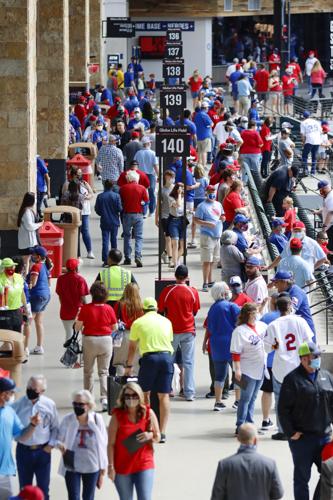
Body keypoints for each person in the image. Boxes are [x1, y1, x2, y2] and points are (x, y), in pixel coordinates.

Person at [278, 341, 333, 500]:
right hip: (302, 440)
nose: (318, 359)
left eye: (318, 356)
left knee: (328, 473)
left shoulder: (326, 376)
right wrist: (290, 432)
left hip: (324, 436)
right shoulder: (292, 380)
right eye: (314, 356)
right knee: (302, 478)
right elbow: (283, 410)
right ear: (303, 359)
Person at [264, 295, 314, 441]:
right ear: (290, 306)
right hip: (299, 366)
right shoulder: (300, 321)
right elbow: (309, 344)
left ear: (277, 308)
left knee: (281, 401)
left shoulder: (273, 325)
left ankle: (283, 430)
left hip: (281, 368)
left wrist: (275, 346)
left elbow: (267, 348)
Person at [125, 297, 174, 443]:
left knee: (144, 395)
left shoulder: (138, 322)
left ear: (143, 309)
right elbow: (169, 340)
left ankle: (149, 427)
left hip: (149, 359)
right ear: (157, 308)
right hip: (166, 358)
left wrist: (129, 366)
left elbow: (133, 347)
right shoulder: (166, 321)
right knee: (163, 396)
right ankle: (163, 432)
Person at [107, 382, 160, 500]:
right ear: (123, 398)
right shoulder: (117, 415)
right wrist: (110, 466)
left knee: (145, 497)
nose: (131, 399)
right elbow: (111, 444)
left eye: (134, 396)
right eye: (128, 396)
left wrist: (149, 435)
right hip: (122, 465)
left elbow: (158, 436)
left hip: (144, 462)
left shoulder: (148, 413)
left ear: (140, 396)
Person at [12, 375, 59, 500]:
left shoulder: (49, 405)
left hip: (42, 451)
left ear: (42, 391)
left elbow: (55, 428)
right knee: (25, 489)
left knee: (43, 489)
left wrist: (51, 445)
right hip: (23, 451)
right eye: (29, 387)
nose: (30, 390)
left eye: (34, 389)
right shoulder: (17, 406)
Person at [158, 265, 200, 401]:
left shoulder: (167, 291)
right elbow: (195, 310)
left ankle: (168, 389)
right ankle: (189, 393)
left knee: (169, 361)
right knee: (188, 363)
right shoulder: (193, 292)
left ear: (175, 276)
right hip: (188, 331)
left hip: (171, 331)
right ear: (187, 277)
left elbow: (161, 310)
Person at [211, 423, 284, 500]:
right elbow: (278, 493)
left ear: (238, 439)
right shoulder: (269, 464)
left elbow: (217, 496)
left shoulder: (224, 465)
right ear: (256, 440)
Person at [58, 390, 108, 500]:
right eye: (75, 404)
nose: (77, 406)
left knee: (88, 497)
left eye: (80, 404)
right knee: (73, 497)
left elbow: (103, 444)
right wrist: (60, 445)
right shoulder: (68, 419)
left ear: (89, 405)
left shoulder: (97, 419)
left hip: (92, 465)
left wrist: (102, 470)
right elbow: (58, 438)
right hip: (72, 465)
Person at [75, 282, 117, 411]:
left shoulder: (86, 308)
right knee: (104, 371)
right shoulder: (109, 309)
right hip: (106, 341)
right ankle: (104, 399)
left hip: (90, 341)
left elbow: (77, 327)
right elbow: (114, 327)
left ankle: (88, 398)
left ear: (92, 294)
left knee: (88, 371)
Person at [0, 375, 41, 499]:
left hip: (5, 471)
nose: (13, 396)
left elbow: (21, 437)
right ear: (3, 394)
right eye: (11, 393)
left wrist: (33, 425)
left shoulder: (9, 412)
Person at [231, 303, 267, 432]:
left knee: (252, 399)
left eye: (257, 312)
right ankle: (240, 425)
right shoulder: (239, 331)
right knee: (244, 399)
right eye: (254, 312)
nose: (257, 314)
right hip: (245, 370)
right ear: (248, 314)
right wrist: (237, 370)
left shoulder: (262, 326)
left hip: (260, 369)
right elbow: (235, 352)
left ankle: (249, 425)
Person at [204, 282, 240, 411]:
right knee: (238, 373)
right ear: (224, 292)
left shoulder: (212, 308)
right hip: (232, 344)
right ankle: (238, 400)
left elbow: (208, 327)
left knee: (219, 375)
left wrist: (205, 343)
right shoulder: (232, 306)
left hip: (216, 345)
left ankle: (218, 401)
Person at [194, 185, 224, 291]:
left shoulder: (218, 204)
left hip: (217, 236)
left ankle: (210, 280)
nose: (212, 193)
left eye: (213, 191)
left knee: (213, 260)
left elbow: (222, 215)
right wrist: (207, 223)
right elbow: (196, 220)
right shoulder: (202, 206)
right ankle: (205, 283)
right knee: (207, 260)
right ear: (206, 192)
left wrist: (222, 218)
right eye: (210, 191)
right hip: (207, 236)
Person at [119, 170, 148, 267]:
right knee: (138, 237)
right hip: (138, 214)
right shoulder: (142, 188)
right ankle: (138, 256)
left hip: (127, 214)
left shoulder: (123, 188)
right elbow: (146, 200)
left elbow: (120, 201)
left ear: (128, 178)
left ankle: (127, 257)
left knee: (127, 236)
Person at [112, 283, 143, 375]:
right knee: (136, 363)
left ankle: (122, 385)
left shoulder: (119, 304)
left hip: (122, 336)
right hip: (137, 336)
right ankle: (135, 386)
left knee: (121, 363)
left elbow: (114, 320)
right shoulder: (141, 306)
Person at [55, 258, 89, 342]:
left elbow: (59, 295)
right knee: (80, 334)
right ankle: (79, 352)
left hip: (65, 311)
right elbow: (82, 297)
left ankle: (69, 353)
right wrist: (87, 307)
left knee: (68, 333)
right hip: (78, 311)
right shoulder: (80, 280)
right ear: (77, 267)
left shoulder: (61, 279)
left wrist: (63, 304)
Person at [28, 246, 51, 355]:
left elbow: (33, 284)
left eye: (33, 255)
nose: (32, 256)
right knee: (39, 322)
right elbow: (49, 283)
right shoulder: (46, 267)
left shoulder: (36, 267)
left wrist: (26, 286)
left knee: (28, 321)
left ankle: (24, 347)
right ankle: (39, 347)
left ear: (38, 257)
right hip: (46, 295)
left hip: (37, 296)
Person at [95, 179, 122, 265]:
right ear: (112, 186)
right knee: (113, 240)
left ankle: (105, 260)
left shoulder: (100, 196)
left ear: (104, 186)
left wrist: (103, 213)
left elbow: (97, 210)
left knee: (105, 241)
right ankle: (115, 259)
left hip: (104, 221)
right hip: (114, 221)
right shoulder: (116, 196)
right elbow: (119, 209)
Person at [0, 257, 28, 334]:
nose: (12, 268)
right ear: (4, 268)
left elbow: (22, 293)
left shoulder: (18, 277)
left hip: (17, 311)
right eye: (9, 267)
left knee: (17, 338)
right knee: (8, 340)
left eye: (13, 266)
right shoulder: (1, 279)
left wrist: (26, 308)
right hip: (4, 312)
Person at [17, 192, 43, 273]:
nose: (35, 200)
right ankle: (26, 280)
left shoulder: (27, 210)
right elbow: (30, 226)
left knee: (29, 261)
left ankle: (28, 279)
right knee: (26, 262)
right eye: (34, 199)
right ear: (31, 200)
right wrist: (40, 224)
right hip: (27, 242)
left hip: (29, 242)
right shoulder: (27, 212)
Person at [134, 136, 158, 217]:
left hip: (140, 175)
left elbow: (135, 165)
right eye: (150, 142)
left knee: (141, 193)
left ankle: (143, 210)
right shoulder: (153, 153)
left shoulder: (138, 153)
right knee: (151, 193)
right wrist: (159, 176)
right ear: (148, 144)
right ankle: (151, 211)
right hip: (150, 175)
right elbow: (155, 166)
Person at [155, 170, 174, 267]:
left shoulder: (176, 188)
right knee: (168, 238)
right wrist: (156, 218)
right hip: (165, 216)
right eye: (167, 177)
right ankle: (170, 259)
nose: (169, 179)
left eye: (171, 177)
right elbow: (158, 205)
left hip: (174, 216)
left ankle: (165, 253)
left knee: (173, 238)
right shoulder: (162, 190)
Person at [313, 180, 333, 263]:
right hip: (330, 225)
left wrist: (324, 227)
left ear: (326, 188)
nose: (321, 192)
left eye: (321, 189)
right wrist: (318, 211)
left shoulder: (330, 197)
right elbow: (326, 208)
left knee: (330, 246)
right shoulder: (329, 196)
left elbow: (331, 212)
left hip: (331, 226)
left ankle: (331, 268)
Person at [167, 182, 185, 268]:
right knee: (175, 244)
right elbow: (178, 205)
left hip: (182, 221)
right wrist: (179, 195)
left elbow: (183, 209)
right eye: (180, 189)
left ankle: (175, 260)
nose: (182, 191)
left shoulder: (183, 197)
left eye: (182, 189)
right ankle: (176, 265)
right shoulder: (171, 198)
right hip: (173, 221)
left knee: (183, 246)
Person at [301, 111, 322, 176]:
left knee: (304, 156)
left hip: (309, 140)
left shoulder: (303, 123)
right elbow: (321, 131)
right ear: (309, 115)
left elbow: (302, 134)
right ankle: (313, 172)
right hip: (317, 141)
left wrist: (303, 143)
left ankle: (306, 171)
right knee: (314, 156)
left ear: (303, 117)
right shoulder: (316, 122)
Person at [194, 102, 213, 168]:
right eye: (207, 107)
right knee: (204, 152)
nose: (208, 109)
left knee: (199, 151)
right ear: (205, 108)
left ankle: (199, 165)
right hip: (206, 136)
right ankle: (203, 166)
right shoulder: (204, 115)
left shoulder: (197, 114)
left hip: (199, 136)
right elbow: (211, 124)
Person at [36, 156, 50, 220]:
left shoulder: (39, 161)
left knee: (37, 208)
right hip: (35, 190)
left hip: (40, 190)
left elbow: (47, 177)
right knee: (36, 208)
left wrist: (48, 191)